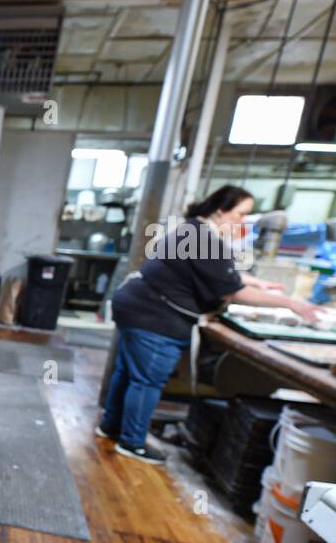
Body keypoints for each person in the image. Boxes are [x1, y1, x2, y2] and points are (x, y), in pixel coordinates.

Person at [99, 184, 323, 465]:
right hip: (154, 316)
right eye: (241, 214)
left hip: (136, 305)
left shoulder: (194, 230)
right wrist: (292, 304)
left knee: (128, 372)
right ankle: (132, 442)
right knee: (146, 381)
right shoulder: (205, 240)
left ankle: (110, 426)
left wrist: (255, 282)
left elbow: (213, 273)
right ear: (221, 210)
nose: (243, 221)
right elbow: (232, 291)